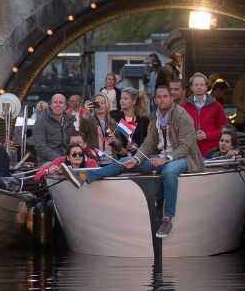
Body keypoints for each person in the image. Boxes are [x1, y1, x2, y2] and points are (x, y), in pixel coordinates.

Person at [77, 85, 203, 239]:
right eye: (159, 97)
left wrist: (166, 158)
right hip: (161, 157)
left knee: (169, 171)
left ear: (171, 98)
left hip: (183, 158)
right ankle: (88, 176)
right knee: (126, 161)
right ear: (155, 100)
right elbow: (149, 143)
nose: (162, 100)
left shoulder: (183, 116)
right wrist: (136, 158)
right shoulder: (154, 117)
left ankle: (167, 219)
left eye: (165, 97)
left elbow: (185, 147)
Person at [181, 73, 228, 155]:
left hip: (212, 152)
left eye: (202, 85)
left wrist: (207, 135)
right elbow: (179, 131)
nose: (199, 87)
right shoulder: (184, 107)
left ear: (206, 87)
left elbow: (225, 131)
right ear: (191, 87)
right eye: (196, 85)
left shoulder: (217, 106)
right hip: (190, 153)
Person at [32, 94, 75, 163]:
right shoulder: (41, 121)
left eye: (61, 102)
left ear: (65, 106)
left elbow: (74, 143)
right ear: (51, 105)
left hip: (67, 160)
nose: (58, 105)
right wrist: (60, 160)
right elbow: (40, 146)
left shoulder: (70, 121)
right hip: (48, 162)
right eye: (55, 102)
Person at [35, 143, 100, 182]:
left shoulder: (91, 162)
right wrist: (48, 171)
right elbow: (37, 177)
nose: (77, 156)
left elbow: (98, 179)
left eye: (80, 154)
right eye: (74, 154)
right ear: (68, 157)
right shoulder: (60, 161)